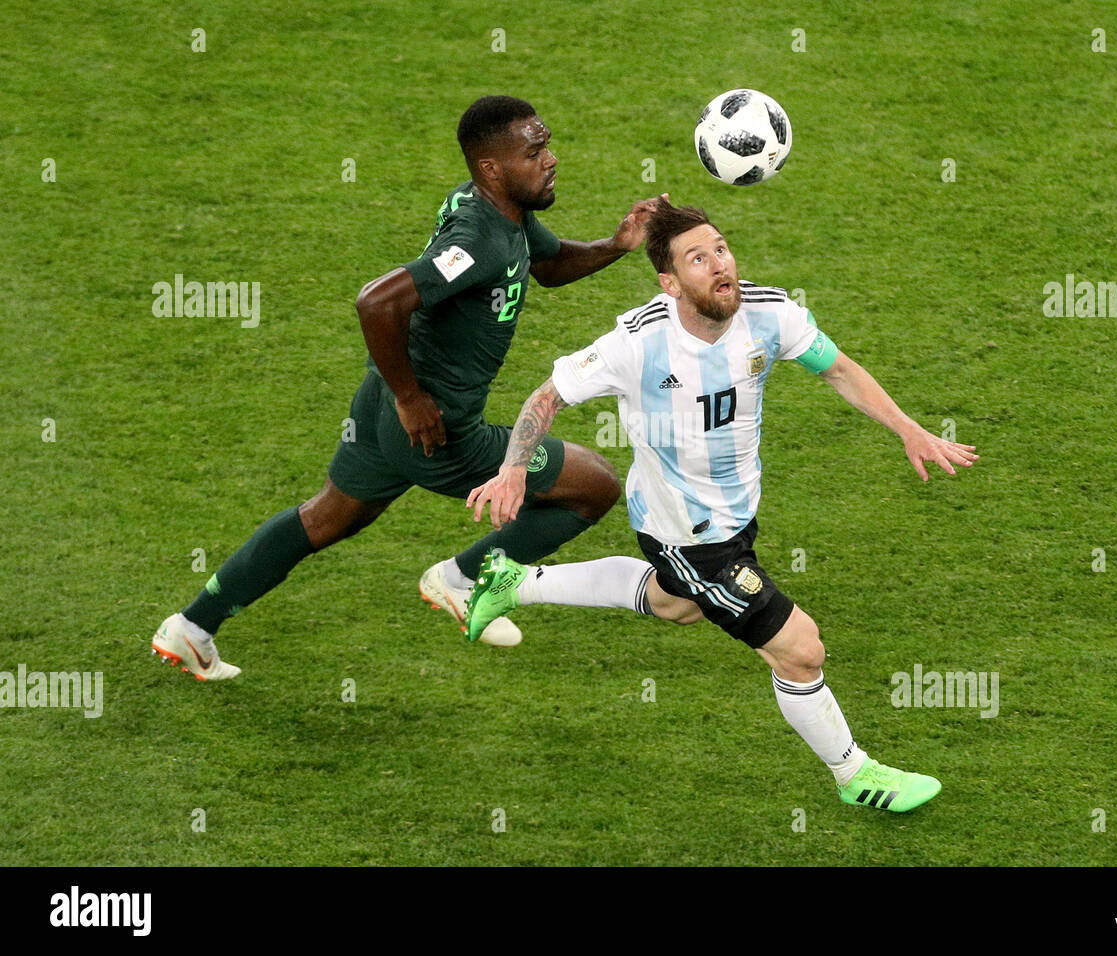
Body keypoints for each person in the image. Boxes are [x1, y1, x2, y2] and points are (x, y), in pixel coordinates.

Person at [461, 200, 979, 811]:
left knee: (676, 605)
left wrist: (908, 429)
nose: (719, 265)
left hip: (733, 516)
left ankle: (514, 580)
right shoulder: (639, 342)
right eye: (697, 258)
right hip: (687, 534)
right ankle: (854, 774)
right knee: (800, 649)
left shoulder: (769, 315)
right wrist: (514, 469)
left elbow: (839, 369)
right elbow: (547, 398)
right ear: (670, 282)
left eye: (722, 249)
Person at [150, 95, 664, 680]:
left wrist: (616, 246)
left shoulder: (499, 214)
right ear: (493, 168)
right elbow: (377, 301)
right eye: (535, 151)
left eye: (546, 145)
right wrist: (411, 397)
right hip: (437, 429)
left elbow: (545, 265)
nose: (550, 159)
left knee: (326, 518)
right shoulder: (479, 241)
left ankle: (192, 627)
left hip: (382, 412)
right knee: (593, 486)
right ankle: (463, 579)